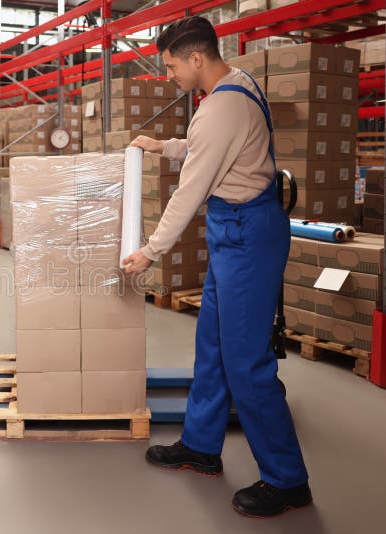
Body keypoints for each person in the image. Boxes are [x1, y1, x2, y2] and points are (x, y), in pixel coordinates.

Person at [121, 16, 312, 518]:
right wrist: (163, 146)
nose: (169, 77)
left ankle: (288, 480)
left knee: (247, 362)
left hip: (248, 236)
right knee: (212, 345)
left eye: (170, 67)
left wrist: (149, 251)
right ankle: (202, 447)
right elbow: (213, 152)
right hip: (235, 230)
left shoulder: (220, 108)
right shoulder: (236, 82)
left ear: (196, 59)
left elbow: (191, 191)